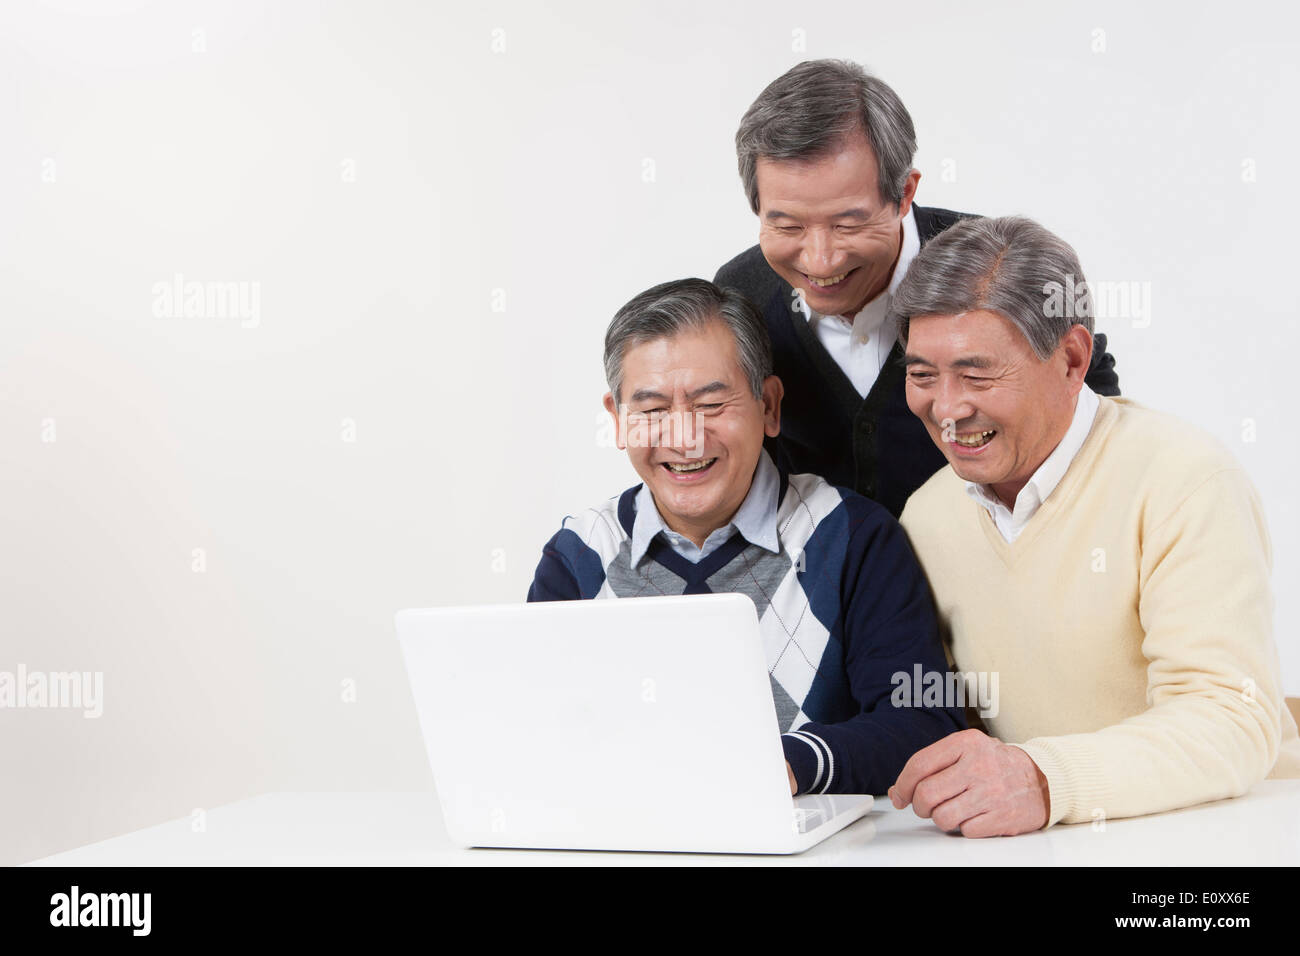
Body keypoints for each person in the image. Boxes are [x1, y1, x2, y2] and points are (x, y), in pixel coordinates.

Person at [886, 215, 1300, 836]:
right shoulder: (927, 514)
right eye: (922, 375)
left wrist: (1045, 777)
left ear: (1073, 357)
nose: (946, 408)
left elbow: (1231, 718)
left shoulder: (1184, 480)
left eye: (977, 374)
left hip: (1223, 842)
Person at [527, 278, 964, 795]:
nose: (684, 436)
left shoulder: (853, 536)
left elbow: (924, 724)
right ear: (618, 420)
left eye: (711, 405)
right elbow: (533, 729)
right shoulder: (580, 554)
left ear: (769, 407)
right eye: (651, 409)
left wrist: (784, 764)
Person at [715, 59, 1120, 517]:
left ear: (905, 192)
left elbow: (1095, 406)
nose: (820, 260)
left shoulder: (1001, 266)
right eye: (787, 226)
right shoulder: (739, 293)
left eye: (849, 223)